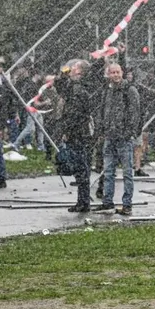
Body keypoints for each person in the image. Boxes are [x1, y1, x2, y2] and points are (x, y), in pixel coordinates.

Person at [93, 58, 143, 216]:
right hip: (109, 135)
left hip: (123, 137)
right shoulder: (106, 90)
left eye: (117, 72)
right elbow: (102, 111)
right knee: (108, 172)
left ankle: (127, 204)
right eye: (112, 72)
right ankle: (107, 201)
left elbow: (135, 113)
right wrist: (101, 130)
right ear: (108, 74)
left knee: (127, 172)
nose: (115, 75)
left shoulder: (130, 90)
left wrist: (129, 132)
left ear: (122, 73)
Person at [54, 60, 96, 212]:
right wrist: (63, 72)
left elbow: (75, 113)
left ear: (79, 71)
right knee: (80, 167)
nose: (71, 69)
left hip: (78, 133)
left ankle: (84, 202)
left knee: (81, 166)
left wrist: (68, 131)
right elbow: (59, 85)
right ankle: (82, 201)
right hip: (77, 132)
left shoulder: (78, 89)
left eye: (74, 67)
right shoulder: (71, 86)